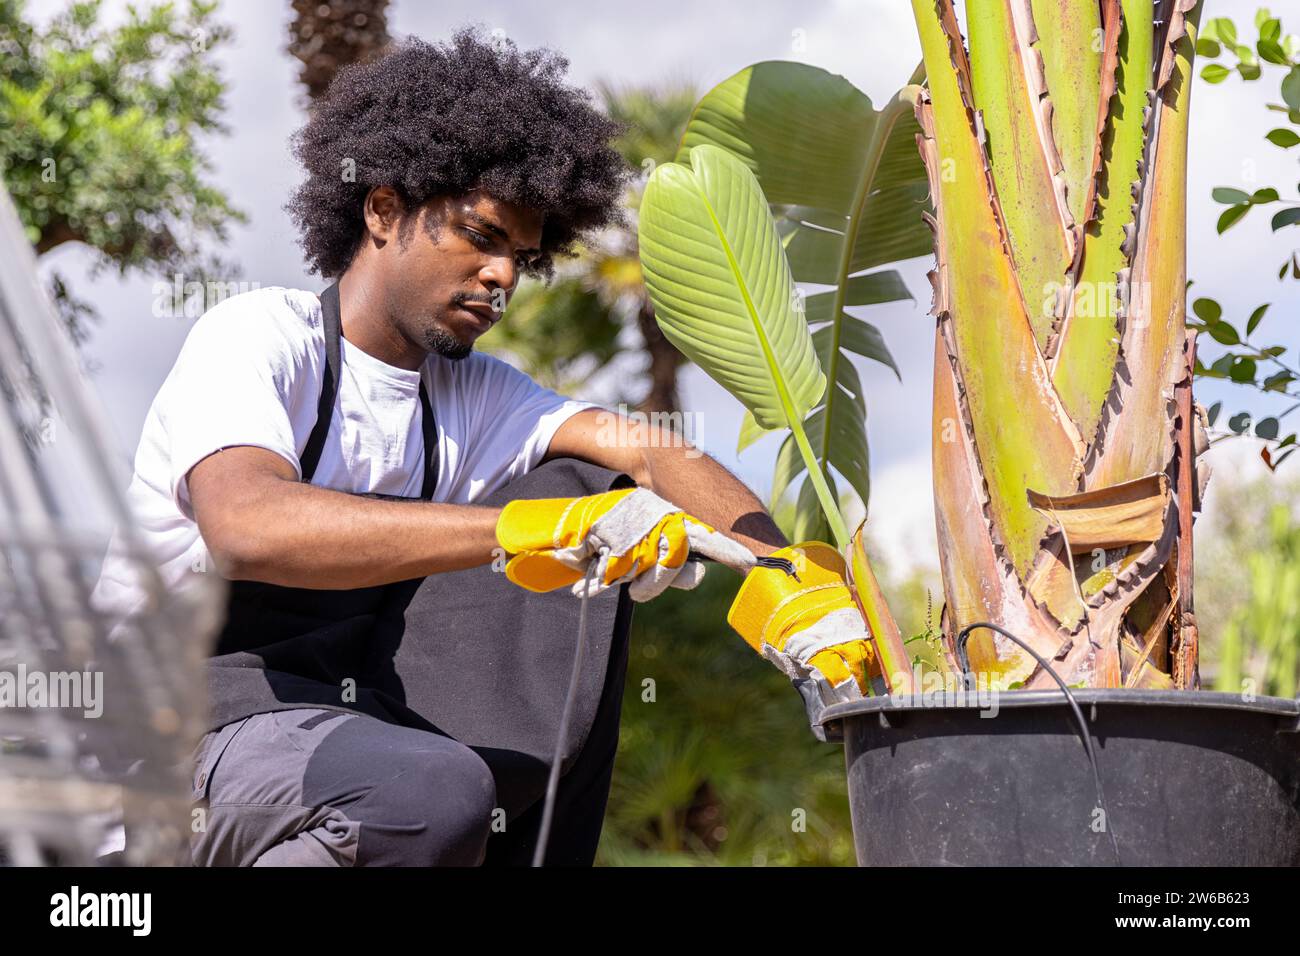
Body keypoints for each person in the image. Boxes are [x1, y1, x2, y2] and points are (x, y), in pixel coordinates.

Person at [91, 26, 879, 867]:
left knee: (580, 474)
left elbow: (653, 453)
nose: (503, 276)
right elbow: (246, 525)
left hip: (326, 730)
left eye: (521, 255)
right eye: (481, 236)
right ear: (383, 208)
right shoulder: (263, 337)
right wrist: (526, 531)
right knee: (423, 794)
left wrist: (781, 571)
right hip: (163, 738)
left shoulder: (473, 395)